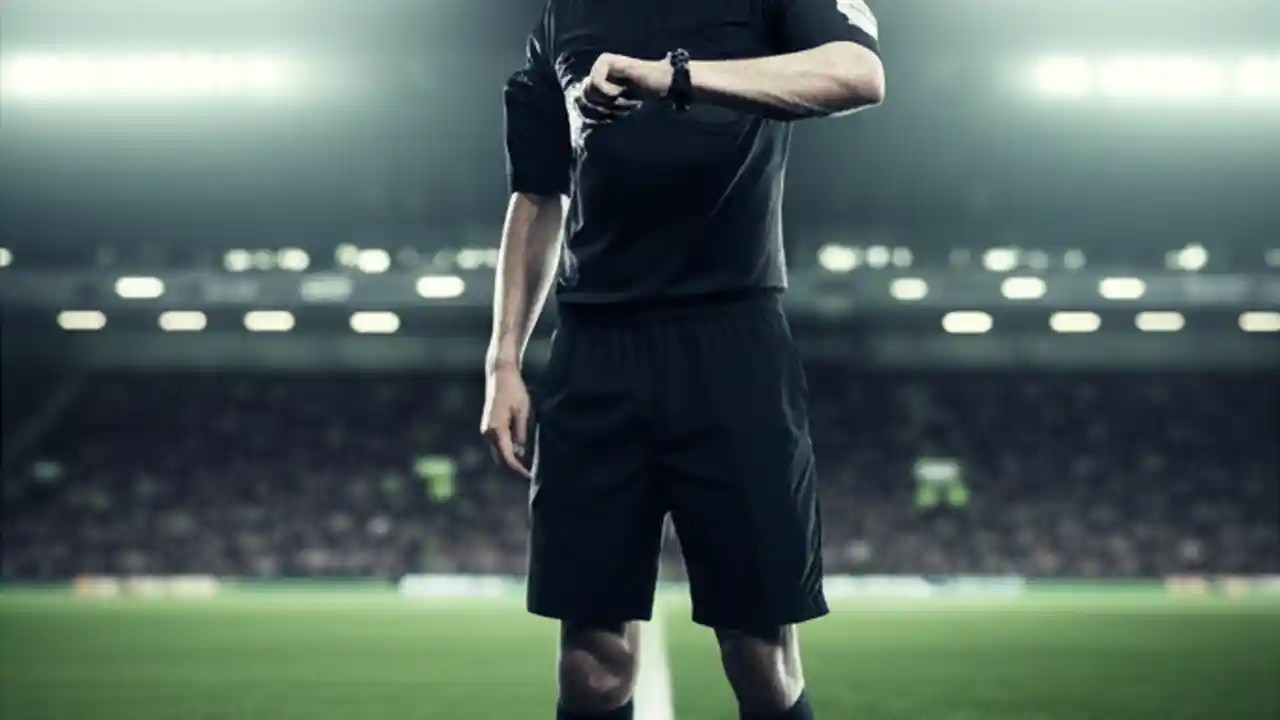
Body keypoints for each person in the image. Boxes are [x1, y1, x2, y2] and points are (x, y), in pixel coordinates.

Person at [482, 1, 885, 717]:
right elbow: (539, 192)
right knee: (592, 664)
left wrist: (676, 78)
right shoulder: (563, 14)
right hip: (595, 348)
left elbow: (856, 73)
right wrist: (502, 362)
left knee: (759, 654)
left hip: (732, 338)